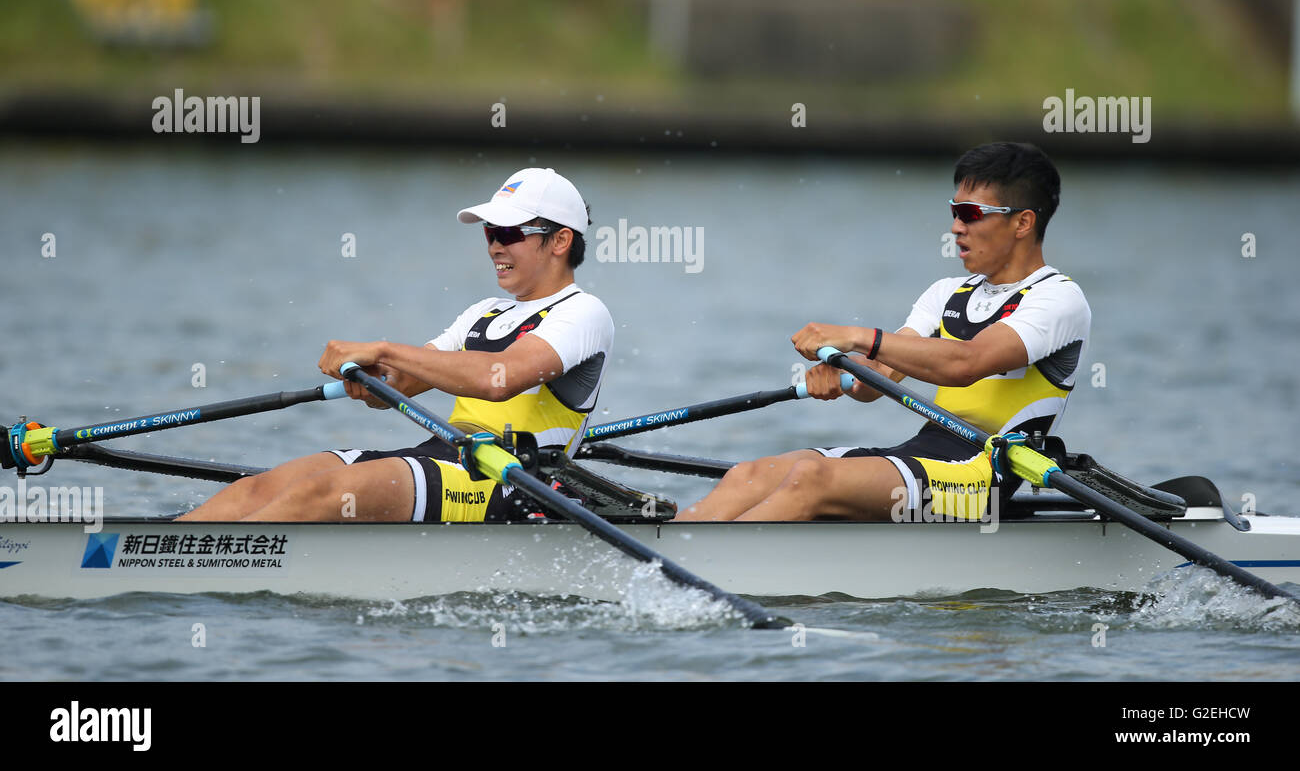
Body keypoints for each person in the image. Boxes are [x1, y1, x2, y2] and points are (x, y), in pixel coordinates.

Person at [679, 142, 1090, 523]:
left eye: (970, 214)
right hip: (925, 454)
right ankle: (672, 561)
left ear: (1022, 223)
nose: (955, 228)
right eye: (954, 212)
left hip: (982, 478)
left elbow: (967, 364)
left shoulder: (1058, 299)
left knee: (811, 477)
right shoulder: (946, 294)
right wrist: (842, 375)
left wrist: (858, 336)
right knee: (748, 474)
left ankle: (697, 582)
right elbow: (874, 382)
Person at [178, 167, 614, 523]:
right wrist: (374, 380)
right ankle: (152, 553)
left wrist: (382, 351)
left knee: (319, 493)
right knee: (260, 488)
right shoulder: (486, 311)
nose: (496, 245)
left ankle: (212, 565)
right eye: (489, 233)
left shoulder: (584, 313)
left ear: (560, 241)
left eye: (511, 232)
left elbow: (497, 380)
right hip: (445, 457)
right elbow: (399, 385)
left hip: (506, 483)